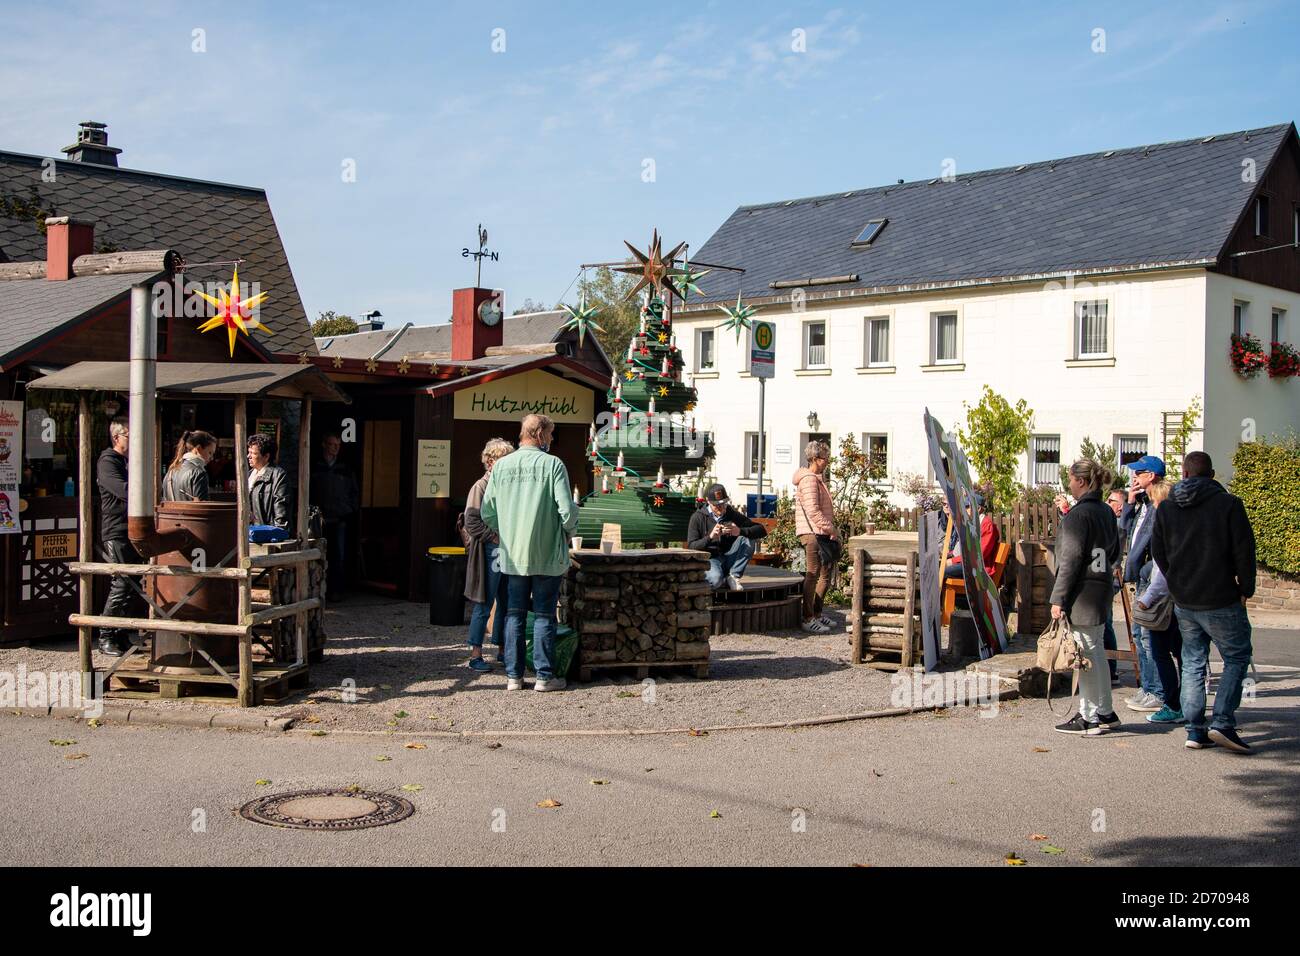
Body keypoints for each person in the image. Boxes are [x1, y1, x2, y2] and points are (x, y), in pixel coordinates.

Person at [1151, 451, 1257, 754]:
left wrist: (1175, 581)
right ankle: (1222, 722)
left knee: (1194, 661)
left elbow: (1158, 551)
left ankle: (1195, 730)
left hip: (1185, 599)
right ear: (1212, 475)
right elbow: (1244, 551)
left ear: (1184, 475)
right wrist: (1244, 588)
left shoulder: (1168, 508)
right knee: (1237, 656)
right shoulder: (1229, 505)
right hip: (1221, 596)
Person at [481, 414, 578, 692]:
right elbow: (566, 510)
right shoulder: (553, 465)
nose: (550, 440)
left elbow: (487, 511)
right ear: (538, 434)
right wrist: (570, 529)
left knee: (514, 614)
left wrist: (507, 530)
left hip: (513, 555)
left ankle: (513, 676)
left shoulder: (502, 467)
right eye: (549, 435)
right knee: (546, 615)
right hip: (547, 554)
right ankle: (544, 677)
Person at [1049, 458, 1122, 736]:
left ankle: (1089, 716)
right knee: (1096, 652)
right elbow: (1115, 551)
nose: (1069, 484)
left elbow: (1070, 559)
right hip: (1101, 587)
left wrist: (1059, 598)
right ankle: (1105, 711)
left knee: (1086, 656)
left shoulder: (1078, 515)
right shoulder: (1105, 510)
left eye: (1070, 479)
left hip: (1082, 593)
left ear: (1080, 481)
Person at [1119, 455, 1167, 712]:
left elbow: (1158, 542)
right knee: (1139, 634)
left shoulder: (1160, 505)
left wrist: (1148, 568)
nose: (1134, 477)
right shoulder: (1143, 504)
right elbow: (1125, 529)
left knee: (1148, 636)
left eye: (1139, 472)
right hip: (1140, 576)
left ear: (1152, 476)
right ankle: (1147, 687)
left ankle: (1156, 692)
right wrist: (1129, 502)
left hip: (1152, 577)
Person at [1133, 480, 1184, 725]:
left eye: (1155, 501)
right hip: (1183, 599)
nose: (1152, 505)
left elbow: (1163, 573)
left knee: (1160, 652)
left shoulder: (1166, 529)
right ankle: (1187, 703)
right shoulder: (1185, 526)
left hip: (1166, 601)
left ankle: (1173, 703)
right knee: (1186, 655)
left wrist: (1146, 599)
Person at [462, 437, 514, 671]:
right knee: (484, 602)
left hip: (508, 551)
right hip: (489, 551)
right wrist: (494, 537)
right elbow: (471, 521)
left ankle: (502, 650)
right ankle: (475, 655)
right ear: (491, 462)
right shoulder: (480, 487)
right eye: (504, 460)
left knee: (506, 601)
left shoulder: (508, 488)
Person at [95, 418, 142, 656]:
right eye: (129, 436)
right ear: (117, 437)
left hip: (132, 529)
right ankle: (105, 635)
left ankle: (121, 633)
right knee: (122, 581)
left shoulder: (127, 462)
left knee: (133, 583)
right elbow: (123, 491)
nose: (133, 442)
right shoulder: (108, 461)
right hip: (116, 529)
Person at [793, 440, 838, 634]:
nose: (827, 461)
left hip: (819, 531)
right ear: (815, 458)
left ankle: (817, 614)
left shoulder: (816, 477)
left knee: (825, 573)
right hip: (812, 533)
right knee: (812, 574)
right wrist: (831, 529)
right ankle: (808, 617)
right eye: (824, 458)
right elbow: (813, 510)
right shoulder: (809, 479)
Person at [687, 483, 767, 591]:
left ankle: (733, 576)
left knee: (747, 539)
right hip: (710, 559)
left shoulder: (731, 514)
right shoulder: (697, 517)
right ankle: (722, 579)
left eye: (723, 503)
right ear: (708, 501)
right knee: (715, 580)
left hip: (729, 557)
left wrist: (740, 531)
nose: (721, 508)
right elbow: (692, 546)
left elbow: (761, 529)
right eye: (716, 505)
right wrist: (710, 537)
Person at [311, 432, 360, 601]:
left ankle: (336, 591)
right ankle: (316, 589)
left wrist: (349, 509)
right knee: (317, 554)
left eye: (338, 445)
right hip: (319, 518)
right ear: (324, 444)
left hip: (340, 518)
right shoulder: (315, 466)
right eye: (332, 444)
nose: (335, 448)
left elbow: (354, 491)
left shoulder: (345, 468)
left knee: (338, 556)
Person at [940, 493, 1000, 580]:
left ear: (978, 509)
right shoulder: (972, 524)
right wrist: (948, 555)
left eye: (967, 506)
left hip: (979, 569)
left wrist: (952, 561)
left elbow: (979, 555)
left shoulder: (987, 525)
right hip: (968, 564)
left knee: (942, 571)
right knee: (936, 566)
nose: (963, 509)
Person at [247, 433, 293, 530]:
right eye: (249, 452)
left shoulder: (278, 476)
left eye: (253, 453)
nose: (248, 456)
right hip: (249, 532)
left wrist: (276, 534)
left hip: (266, 534)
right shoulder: (249, 474)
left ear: (266, 456)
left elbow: (281, 511)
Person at [161, 430, 216, 502]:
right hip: (189, 513)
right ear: (198, 448)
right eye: (210, 453)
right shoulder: (199, 473)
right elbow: (202, 510)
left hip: (170, 513)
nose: (212, 458)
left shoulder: (171, 471)